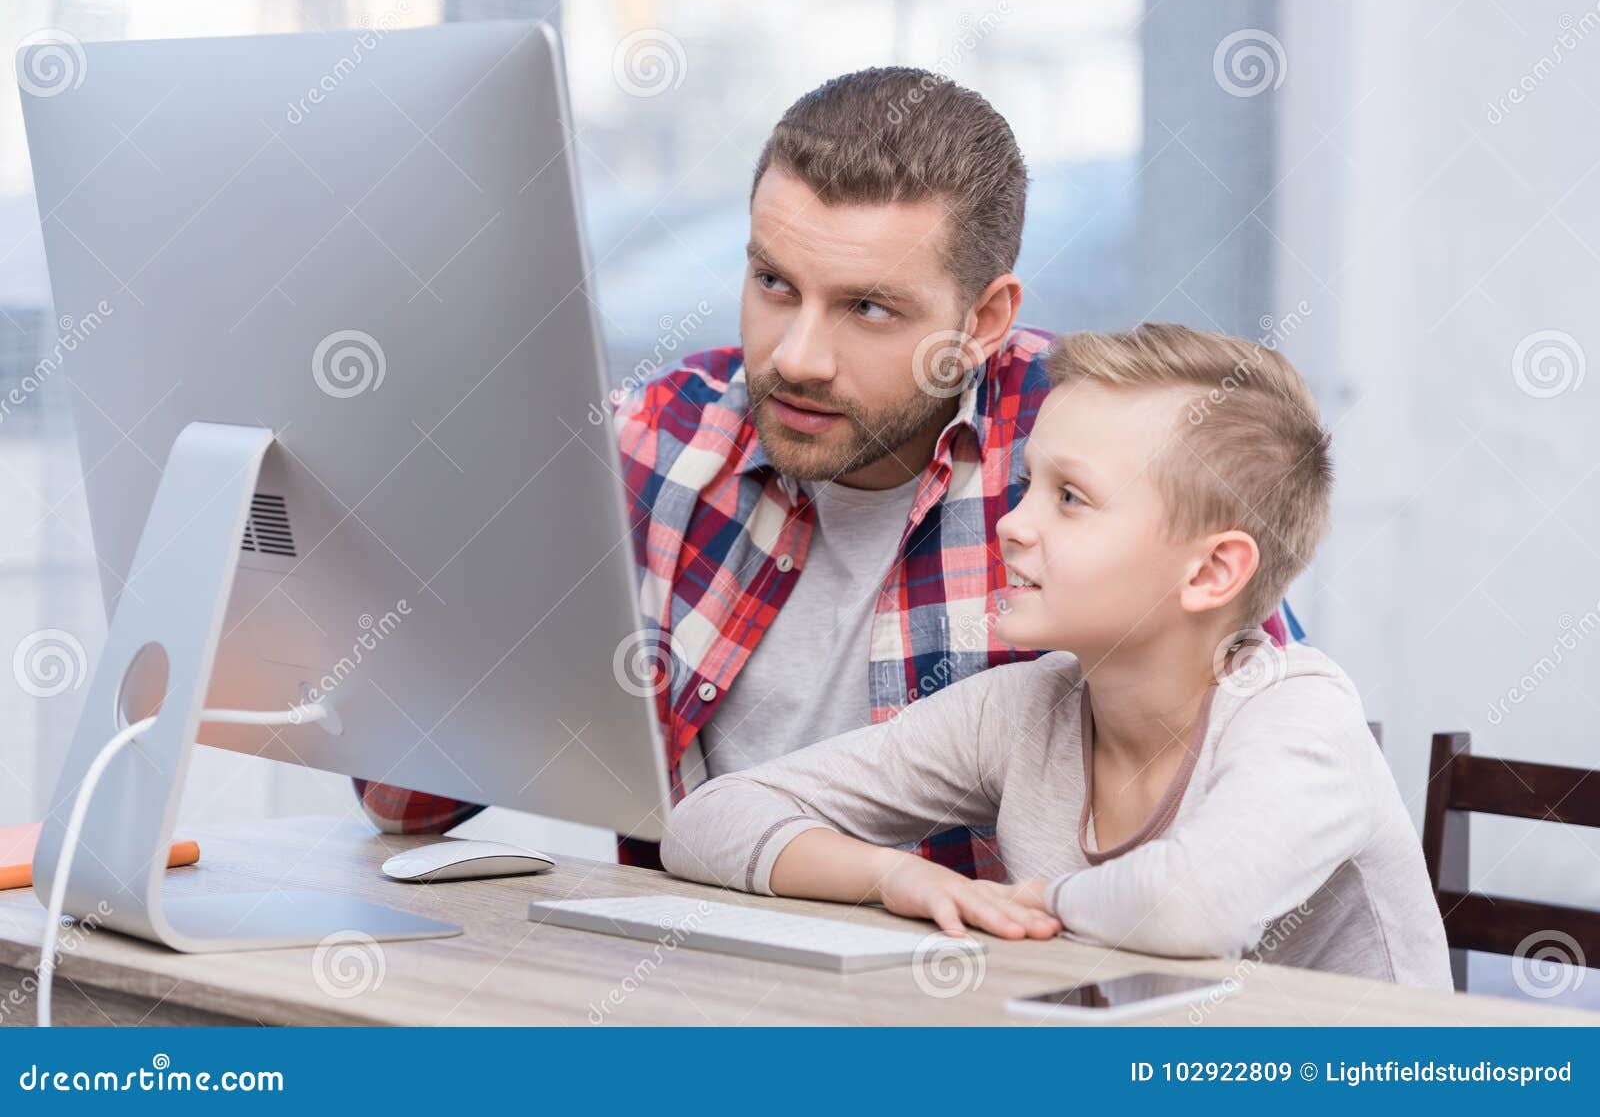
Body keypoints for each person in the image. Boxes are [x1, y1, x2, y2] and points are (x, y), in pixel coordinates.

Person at [355, 69, 1300, 875]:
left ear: (983, 319)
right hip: (689, 1002)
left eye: (869, 309)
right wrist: (486, 579)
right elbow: (402, 807)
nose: (797, 356)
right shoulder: (648, 447)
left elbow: (1274, 792)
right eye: (774, 284)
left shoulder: (1104, 449)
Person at [661, 324, 1452, 988]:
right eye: (1030, 482)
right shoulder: (1020, 711)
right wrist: (894, 875)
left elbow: (1195, 904)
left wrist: (1043, 899)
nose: (1012, 524)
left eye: (1070, 498)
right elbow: (705, 821)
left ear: (1211, 572)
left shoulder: (1300, 712)